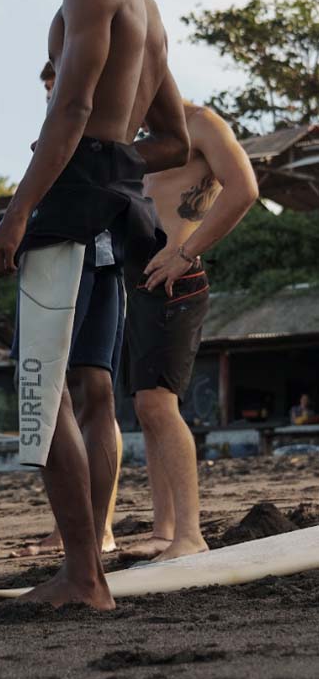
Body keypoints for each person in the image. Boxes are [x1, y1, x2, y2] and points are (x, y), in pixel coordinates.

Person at [0, 0, 190, 610]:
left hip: (73, 198)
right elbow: (173, 138)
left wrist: (14, 214)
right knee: (91, 390)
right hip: (116, 204)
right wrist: (117, 164)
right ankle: (86, 565)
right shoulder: (148, 8)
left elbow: (68, 111)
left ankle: (81, 576)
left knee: (41, 394)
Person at [125, 104, 258, 561]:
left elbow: (244, 188)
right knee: (146, 408)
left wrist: (184, 253)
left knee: (159, 404)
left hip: (177, 281)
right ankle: (164, 531)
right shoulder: (134, 134)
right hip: (139, 283)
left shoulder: (200, 122)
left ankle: (189, 534)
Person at [13, 61, 123, 558]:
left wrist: (14, 221)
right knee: (91, 392)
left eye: (55, 83)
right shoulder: (114, 119)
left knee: (52, 391)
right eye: (47, 87)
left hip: (70, 248)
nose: (51, 94)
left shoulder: (74, 120)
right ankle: (90, 536)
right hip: (105, 248)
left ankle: (81, 544)